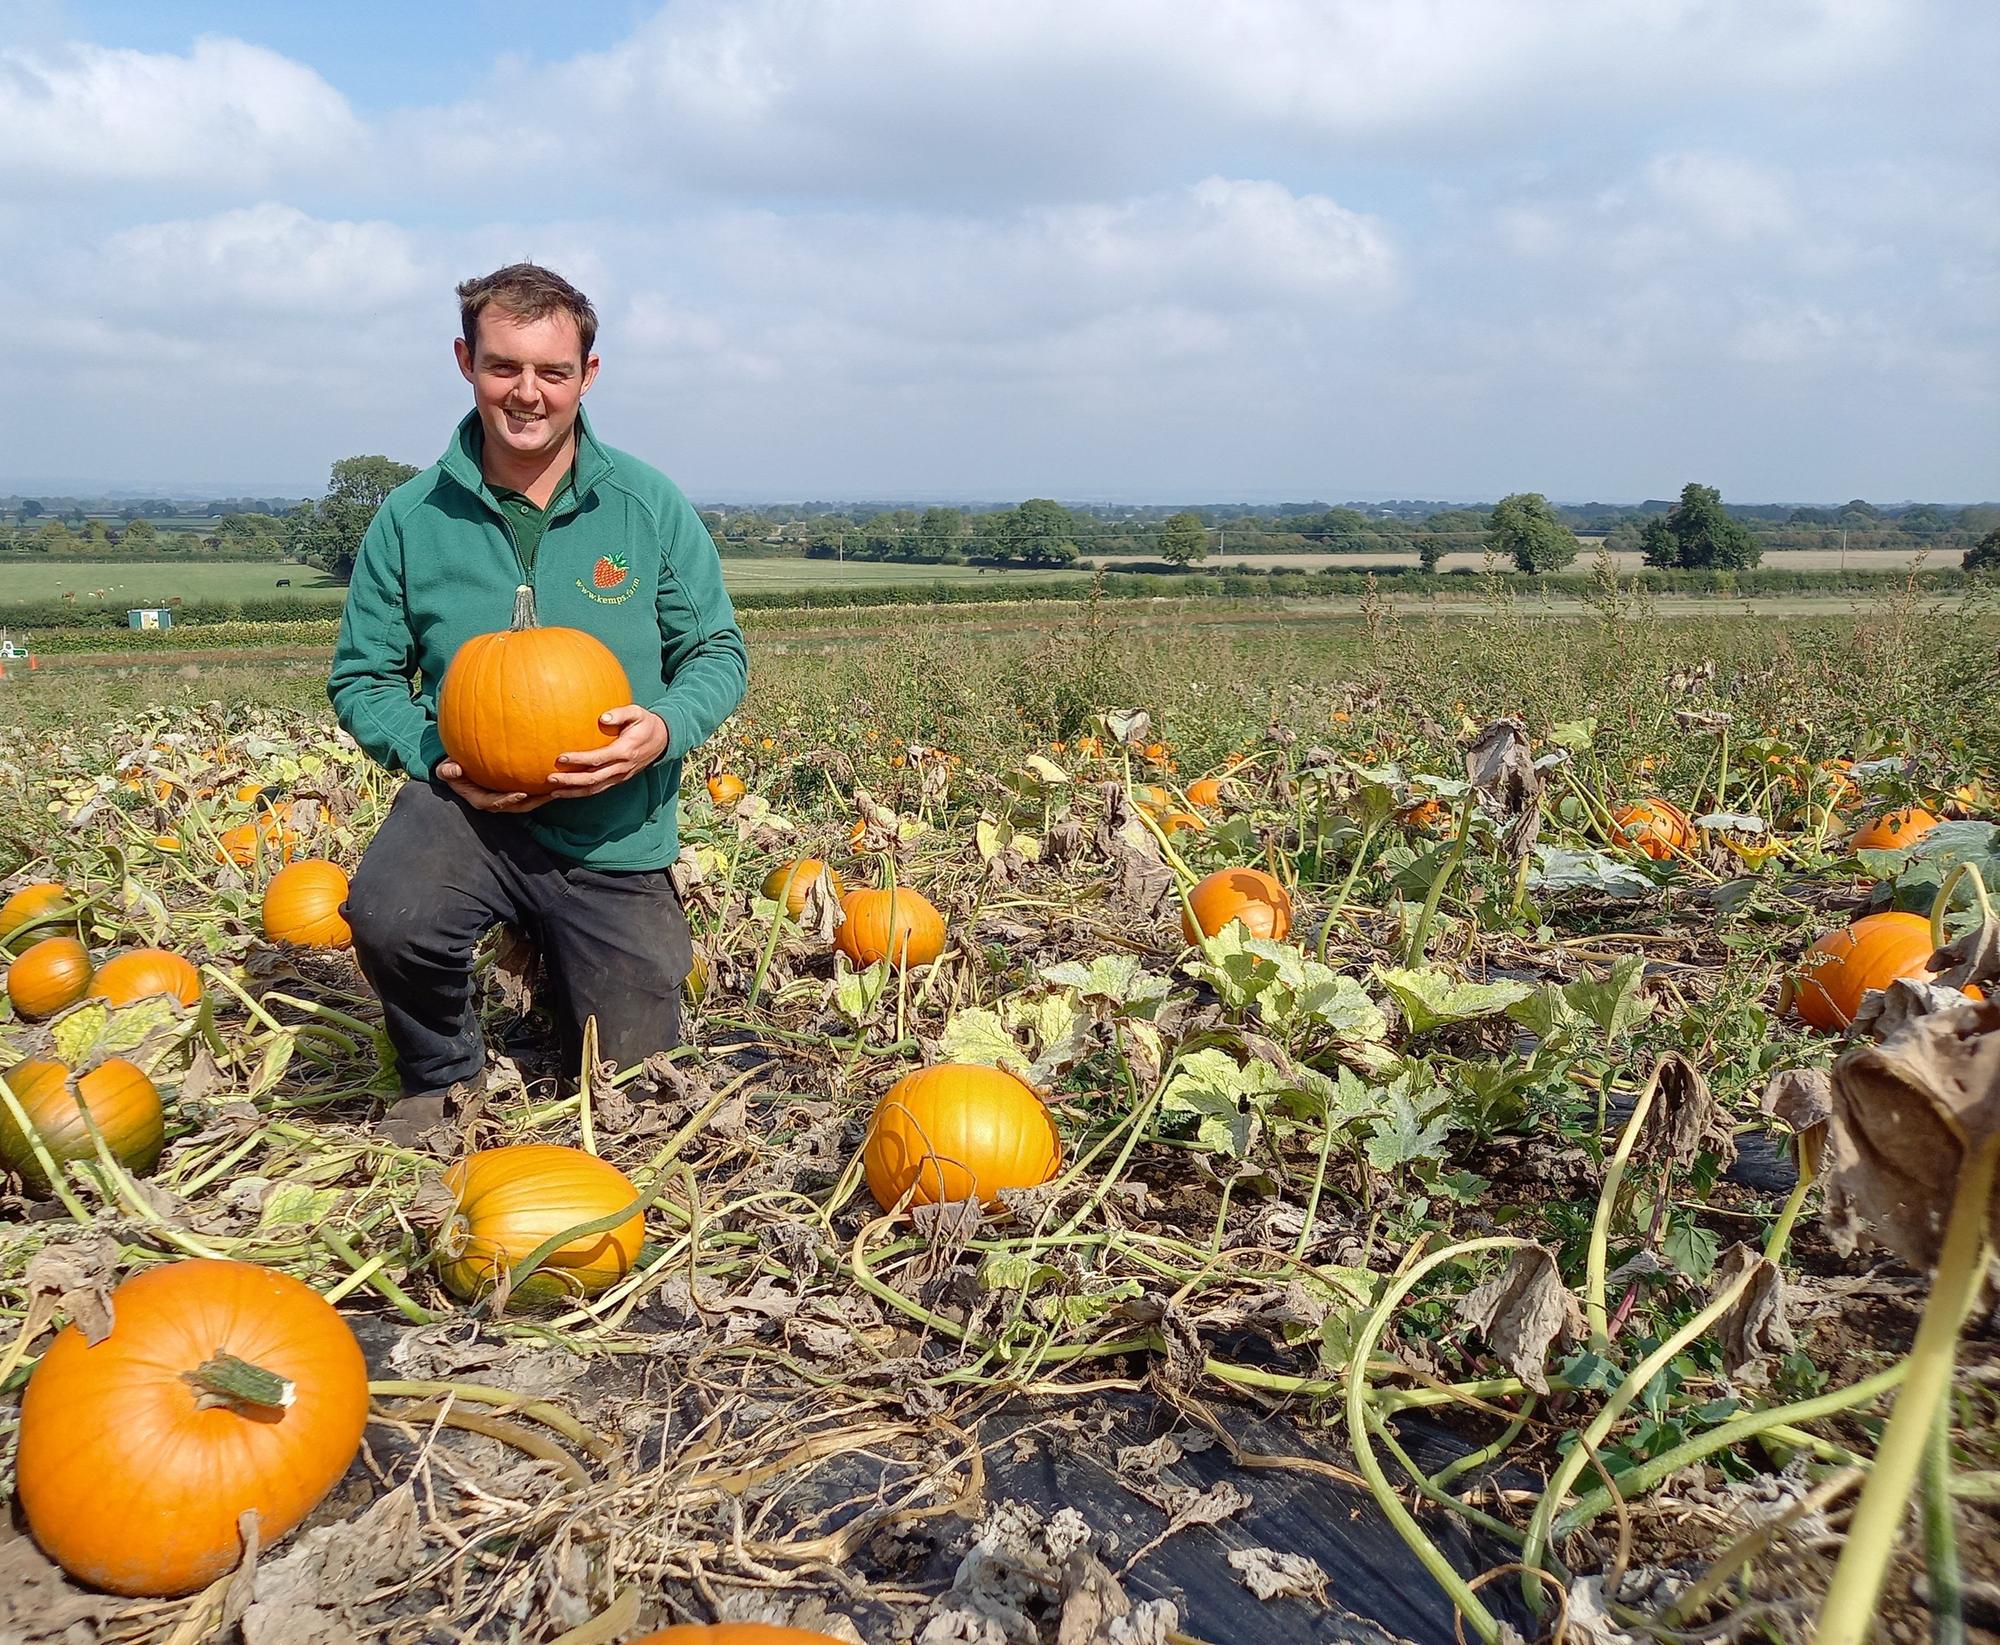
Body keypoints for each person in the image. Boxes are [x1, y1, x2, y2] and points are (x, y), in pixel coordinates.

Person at [329, 263, 746, 1098]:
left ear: (587, 374)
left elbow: (717, 652)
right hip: (468, 813)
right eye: (503, 367)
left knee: (631, 1077)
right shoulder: (411, 518)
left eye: (552, 372)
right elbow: (363, 678)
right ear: (466, 362)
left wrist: (662, 731)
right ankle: (441, 1076)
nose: (528, 393)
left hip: (613, 830)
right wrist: (436, 755)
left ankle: (565, 957)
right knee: (391, 911)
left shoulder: (645, 504)